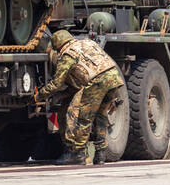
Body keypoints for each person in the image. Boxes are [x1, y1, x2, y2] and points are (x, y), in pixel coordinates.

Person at [34, 29, 125, 165]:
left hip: (97, 81)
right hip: (114, 77)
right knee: (100, 115)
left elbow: (56, 83)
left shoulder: (67, 54)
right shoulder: (87, 43)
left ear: (58, 45)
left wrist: (38, 96)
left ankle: (77, 153)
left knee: (81, 117)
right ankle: (100, 154)